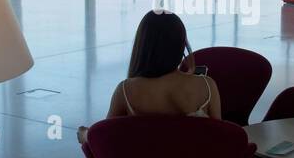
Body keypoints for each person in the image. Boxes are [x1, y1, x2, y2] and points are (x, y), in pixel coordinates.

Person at [77, 10, 221, 144]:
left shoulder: (126, 91)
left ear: (142, 46)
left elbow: (106, 137)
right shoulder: (206, 86)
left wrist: (85, 135)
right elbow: (221, 137)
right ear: (181, 45)